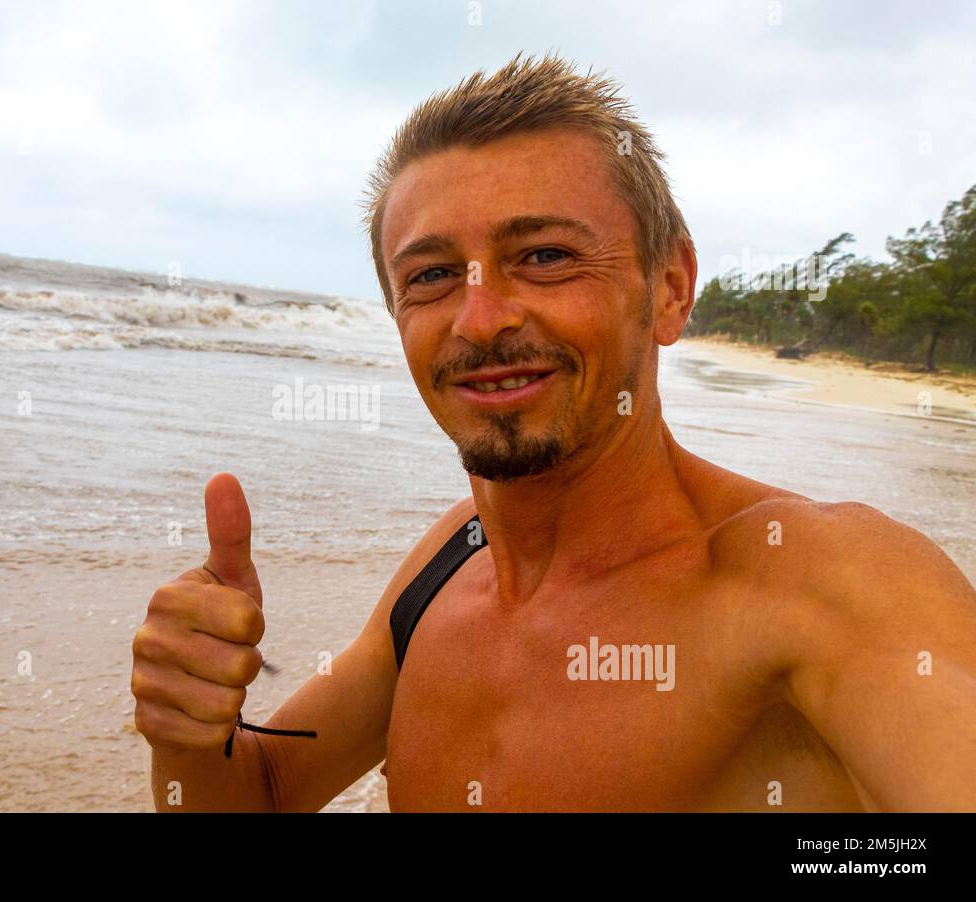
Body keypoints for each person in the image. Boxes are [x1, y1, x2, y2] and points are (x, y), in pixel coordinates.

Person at [130, 53, 976, 812]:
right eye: (430, 276)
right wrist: (190, 735)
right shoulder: (447, 566)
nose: (481, 320)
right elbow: (261, 795)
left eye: (543, 256)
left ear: (671, 287)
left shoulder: (821, 582)